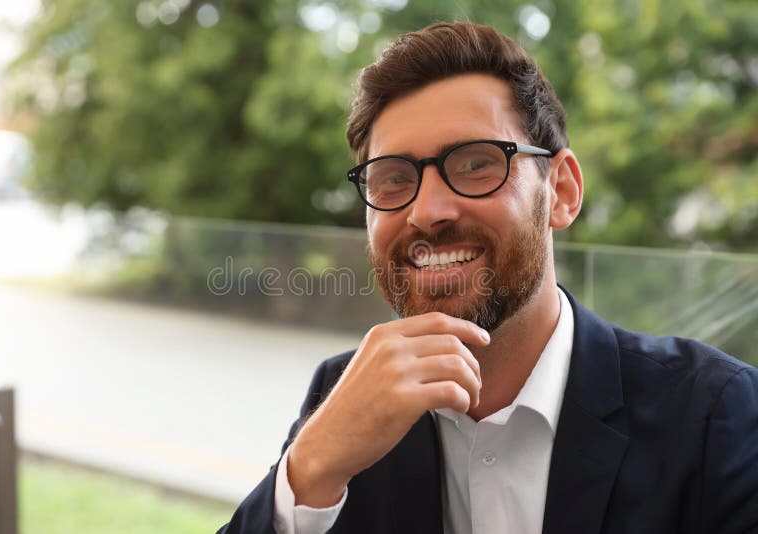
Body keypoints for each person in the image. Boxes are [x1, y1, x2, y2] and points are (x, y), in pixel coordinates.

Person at [219, 22, 758, 534]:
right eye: (393, 178)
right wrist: (308, 468)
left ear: (562, 192)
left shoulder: (716, 414)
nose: (427, 211)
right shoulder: (345, 397)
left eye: (477, 163)